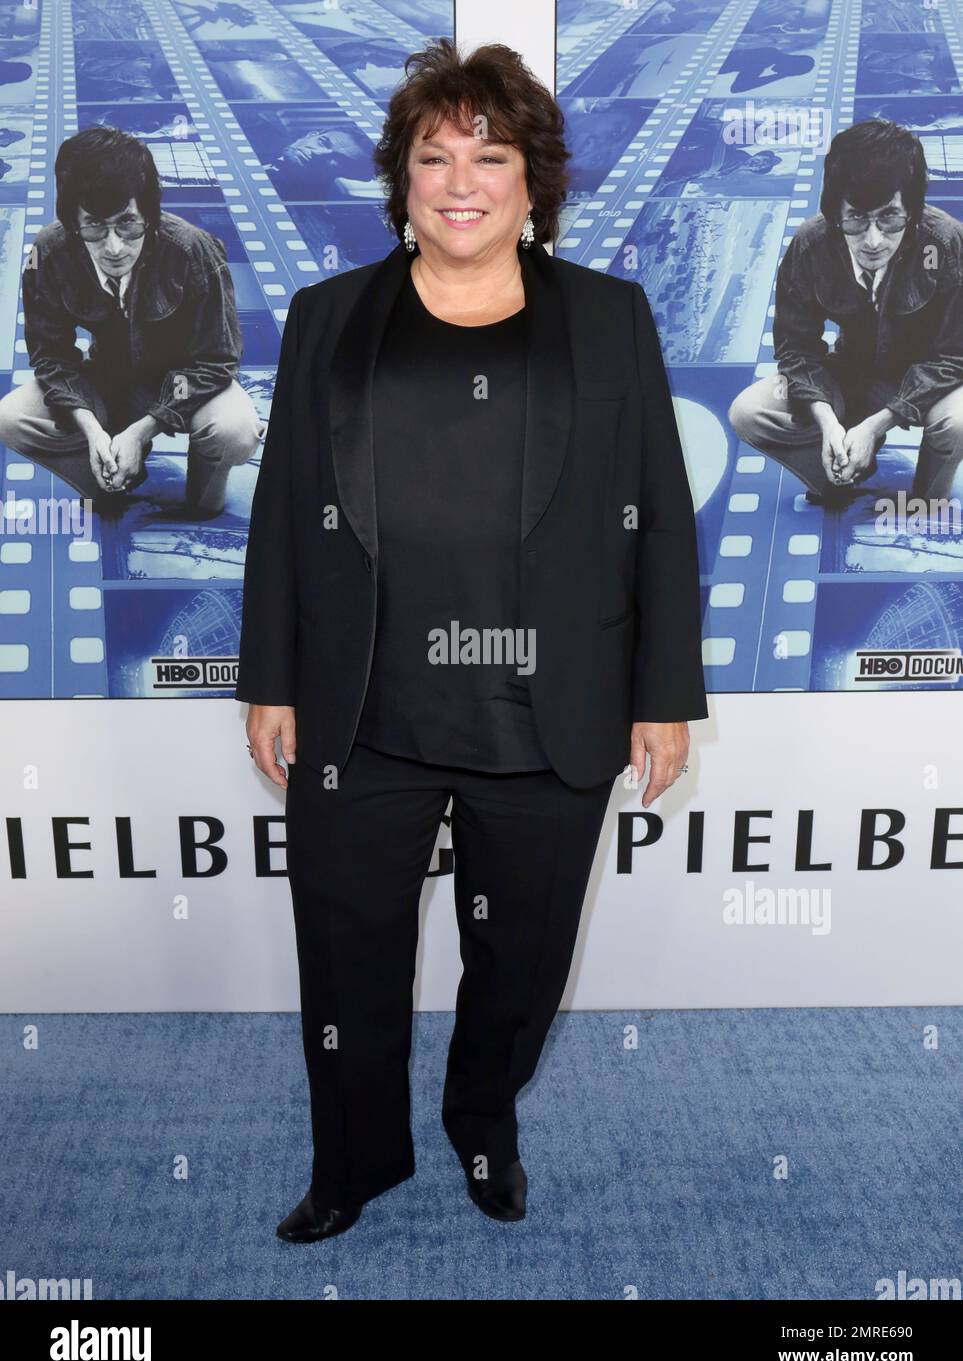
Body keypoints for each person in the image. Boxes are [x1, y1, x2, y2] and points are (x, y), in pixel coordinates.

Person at [236, 38, 707, 1242]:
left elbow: (657, 512)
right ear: (402, 180)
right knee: (347, 964)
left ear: (531, 182)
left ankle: (483, 1122)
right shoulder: (327, 318)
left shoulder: (611, 319)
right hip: (363, 710)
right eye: (433, 156)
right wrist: (271, 678)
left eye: (489, 156)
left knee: (522, 966)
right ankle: (353, 1159)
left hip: (550, 711)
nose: (460, 180)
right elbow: (287, 510)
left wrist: (663, 695)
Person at [0, 126, 264, 516]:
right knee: (10, 418)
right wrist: (91, 430)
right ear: (72, 220)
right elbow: (51, 357)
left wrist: (143, 430)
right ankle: (109, 472)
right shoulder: (49, 252)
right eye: (93, 225)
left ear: (149, 214)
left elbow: (217, 361)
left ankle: (199, 484)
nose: (113, 246)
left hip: (182, 382)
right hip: (104, 379)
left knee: (234, 432)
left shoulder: (194, 250)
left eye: (127, 223)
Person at [729, 119, 963, 508]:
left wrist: (879, 424)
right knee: (748, 412)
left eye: (889, 217)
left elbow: (956, 356)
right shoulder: (811, 244)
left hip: (927, 382)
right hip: (851, 374)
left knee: (959, 420)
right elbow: (795, 348)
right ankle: (840, 470)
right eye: (855, 217)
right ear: (835, 211)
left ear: (913, 211)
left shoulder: (946, 242)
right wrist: (827, 423)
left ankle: (928, 495)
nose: (873, 240)